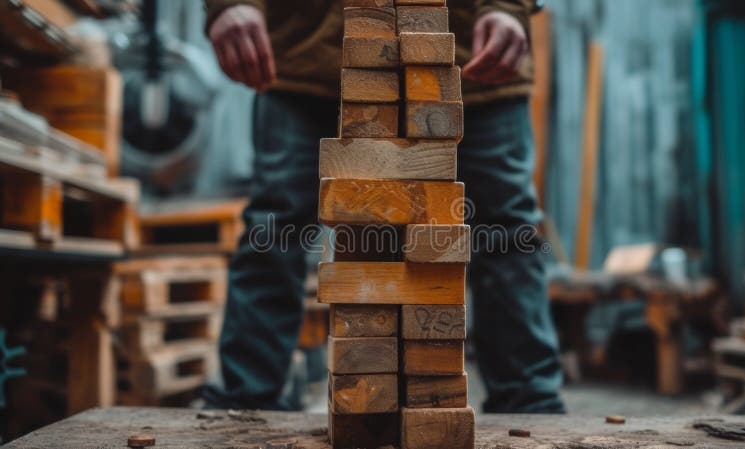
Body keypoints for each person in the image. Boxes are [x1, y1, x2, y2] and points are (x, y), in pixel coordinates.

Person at [203, 0, 565, 413]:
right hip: (308, 52)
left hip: (469, 56)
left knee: (508, 234)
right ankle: (244, 405)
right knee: (275, 229)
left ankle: (532, 408)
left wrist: (506, 7)